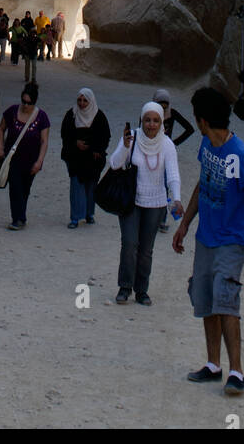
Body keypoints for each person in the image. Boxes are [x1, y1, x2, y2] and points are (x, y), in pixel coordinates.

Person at [173, 87, 244, 394]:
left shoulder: (239, 155)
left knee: (226, 300)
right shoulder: (207, 144)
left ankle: (237, 372)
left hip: (232, 240)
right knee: (206, 298)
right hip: (206, 237)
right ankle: (212, 365)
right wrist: (185, 225)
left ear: (203, 120)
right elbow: (202, 184)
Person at [108, 102, 182, 306]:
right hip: (131, 201)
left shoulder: (167, 144)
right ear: (142, 120)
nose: (151, 124)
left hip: (156, 203)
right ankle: (124, 287)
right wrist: (124, 146)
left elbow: (173, 174)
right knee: (130, 244)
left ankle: (142, 290)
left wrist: (176, 198)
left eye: (156, 120)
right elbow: (114, 164)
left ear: (162, 123)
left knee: (146, 249)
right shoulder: (131, 138)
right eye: (147, 120)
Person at [0, 82, 50, 229]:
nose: (25, 105)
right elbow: (1, 129)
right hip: (12, 159)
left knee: (25, 188)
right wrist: (0, 147)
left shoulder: (42, 117)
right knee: (15, 187)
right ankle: (17, 219)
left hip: (31, 160)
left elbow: (44, 141)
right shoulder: (12, 112)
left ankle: (21, 217)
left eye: (29, 103)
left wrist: (39, 161)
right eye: (24, 102)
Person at [60, 89, 110, 227]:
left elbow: (105, 136)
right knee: (76, 185)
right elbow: (65, 133)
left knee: (91, 186)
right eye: (79, 100)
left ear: (91, 101)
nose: (82, 103)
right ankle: (75, 218)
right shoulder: (72, 114)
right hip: (75, 157)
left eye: (85, 100)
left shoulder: (99, 116)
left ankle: (89, 214)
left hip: (92, 159)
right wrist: (75, 143)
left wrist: (96, 149)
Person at [153, 88, 194, 232]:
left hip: (165, 154)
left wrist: (173, 143)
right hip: (151, 153)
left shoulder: (172, 113)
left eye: (165, 105)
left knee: (164, 187)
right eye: (161, 105)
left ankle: (161, 220)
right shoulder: (150, 113)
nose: (163, 108)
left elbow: (190, 129)